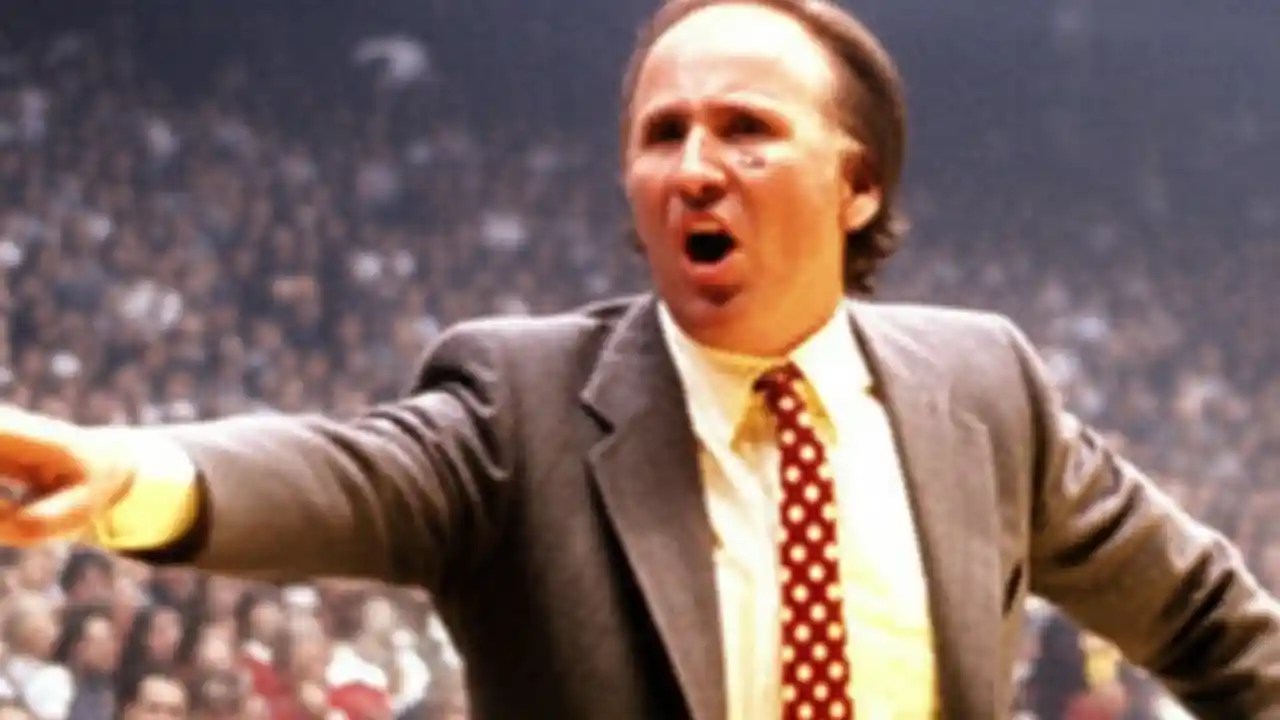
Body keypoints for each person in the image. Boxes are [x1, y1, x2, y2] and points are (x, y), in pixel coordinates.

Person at [0, 0, 1278, 718]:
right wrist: (122, 472)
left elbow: (1212, 624)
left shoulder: (981, 384)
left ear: (855, 183)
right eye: (660, 133)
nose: (692, 166)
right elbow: (344, 472)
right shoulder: (522, 403)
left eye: (744, 128)